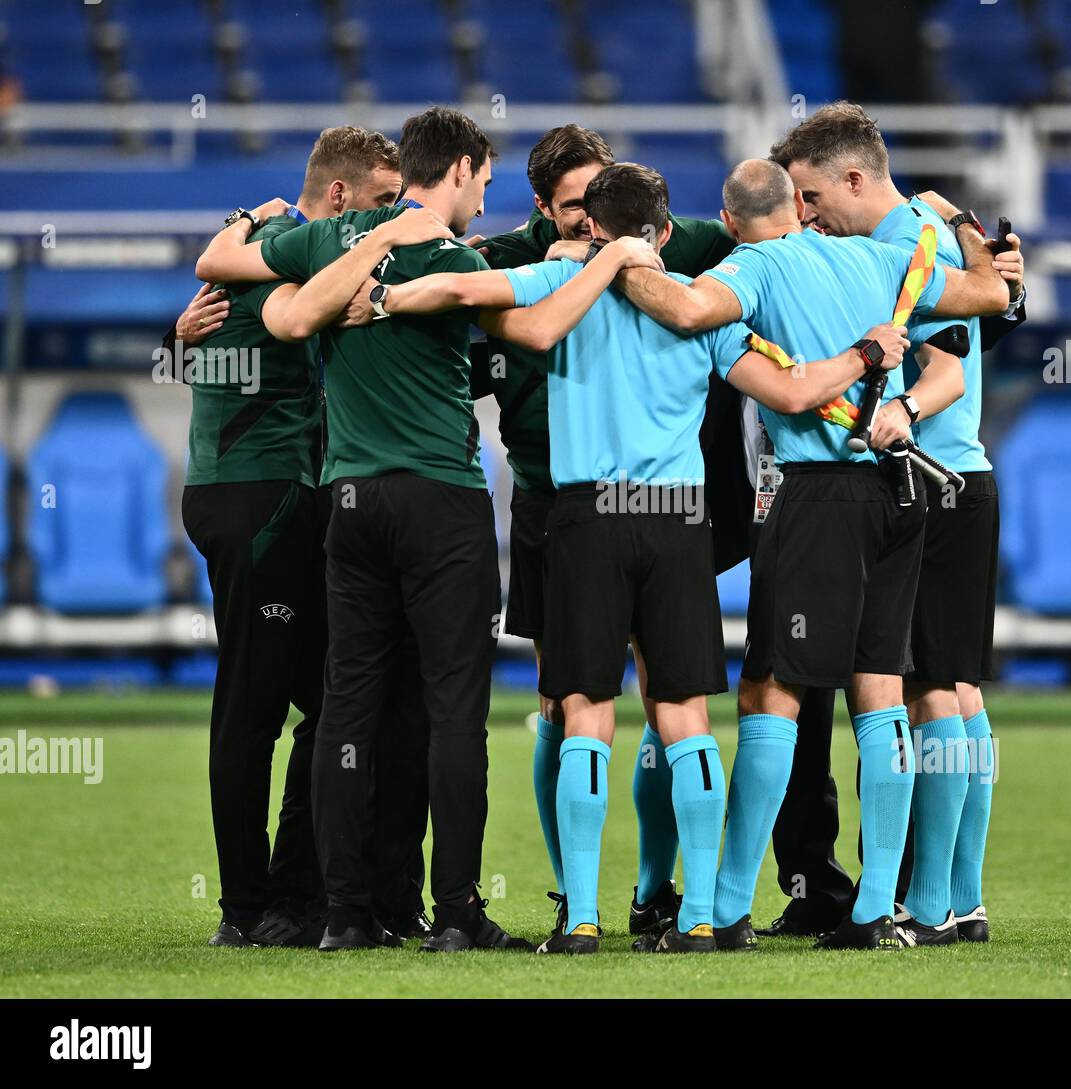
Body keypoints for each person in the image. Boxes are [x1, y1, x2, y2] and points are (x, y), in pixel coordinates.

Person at [369, 162, 911, 953]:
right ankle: (698, 918)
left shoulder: (557, 284)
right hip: (677, 518)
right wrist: (869, 357)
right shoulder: (701, 310)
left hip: (587, 512)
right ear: (663, 230)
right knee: (684, 717)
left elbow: (459, 292)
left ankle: (582, 919)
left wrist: (384, 297)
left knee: (585, 712)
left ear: (589, 224)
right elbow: (791, 390)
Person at [612, 157, 1010, 950]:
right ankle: (879, 912)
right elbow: (990, 297)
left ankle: (723, 912)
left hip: (818, 494)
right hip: (901, 496)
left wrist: (620, 264)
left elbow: (690, 312)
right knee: (882, 690)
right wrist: (965, 229)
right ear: (800, 204)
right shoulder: (880, 256)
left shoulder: (752, 266)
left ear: (730, 222)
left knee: (770, 695)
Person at [194, 107, 527, 952]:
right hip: (307, 497)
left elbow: (262, 316)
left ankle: (341, 905)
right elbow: (528, 323)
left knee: (341, 705)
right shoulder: (379, 246)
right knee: (308, 706)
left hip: (334, 500)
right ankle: (278, 907)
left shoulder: (325, 246)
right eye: (481, 182)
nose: (394, 211)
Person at [768, 104, 1025, 944]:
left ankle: (933, 902)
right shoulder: (926, 227)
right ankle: (961, 894)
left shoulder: (906, 246)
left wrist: (904, 407)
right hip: (962, 479)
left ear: (852, 178)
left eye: (811, 196)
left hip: (932, 478)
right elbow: (993, 304)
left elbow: (948, 368)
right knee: (956, 690)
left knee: (930, 692)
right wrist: (957, 213)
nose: (806, 216)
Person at [178, 127, 428, 948]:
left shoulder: (262, 243)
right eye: (383, 200)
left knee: (334, 699)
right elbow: (220, 276)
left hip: (251, 492)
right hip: (265, 499)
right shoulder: (293, 247)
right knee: (262, 703)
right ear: (341, 198)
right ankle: (251, 907)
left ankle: (297, 890)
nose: (393, 213)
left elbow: (207, 300)